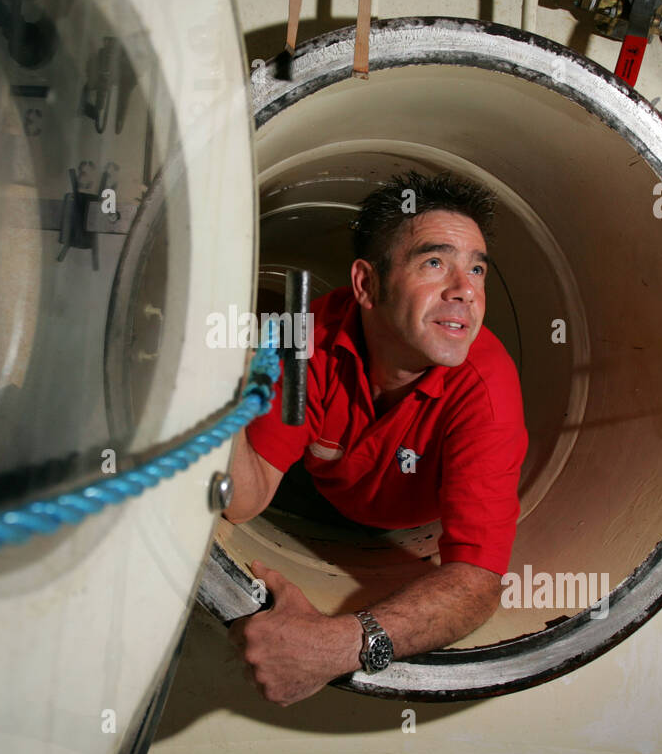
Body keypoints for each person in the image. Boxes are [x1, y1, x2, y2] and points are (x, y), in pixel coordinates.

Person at [223, 170, 528, 706]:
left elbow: (477, 580)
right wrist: (216, 390)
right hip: (308, 489)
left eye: (476, 269)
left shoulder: (486, 388)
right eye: (435, 263)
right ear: (366, 285)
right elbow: (244, 504)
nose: (466, 290)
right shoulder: (311, 338)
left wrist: (338, 645)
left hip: (405, 524)